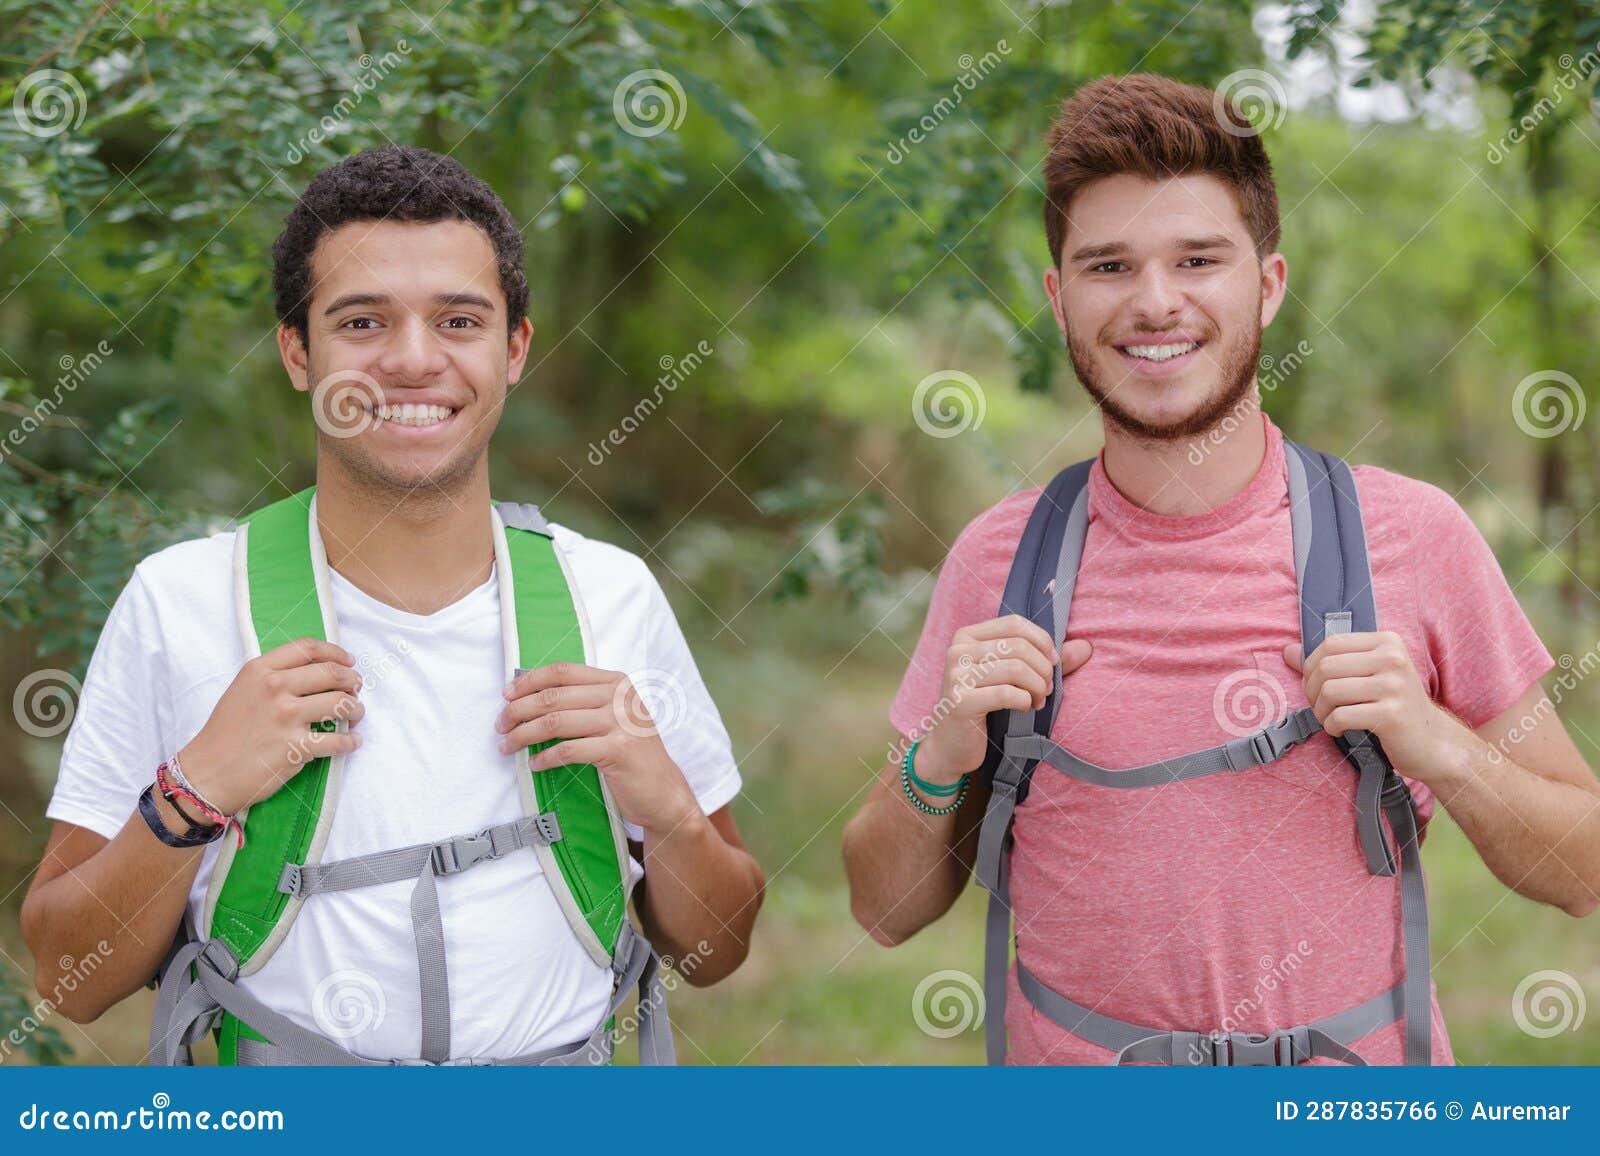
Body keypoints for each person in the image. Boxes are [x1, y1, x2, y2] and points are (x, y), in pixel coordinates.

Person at [842, 73, 1600, 1066]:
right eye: (1108, 265)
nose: (1154, 302)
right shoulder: (1002, 558)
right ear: (1058, 296)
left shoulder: (1412, 535)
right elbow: (881, 909)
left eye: (1197, 259)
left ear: (1268, 283)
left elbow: (1582, 870)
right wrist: (940, 753)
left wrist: (1442, 746)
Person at [22, 145, 764, 1065]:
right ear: (299, 352)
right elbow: (67, 979)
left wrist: (678, 819)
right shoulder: (180, 603)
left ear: (515, 348)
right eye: (363, 321)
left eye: (459, 319)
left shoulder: (609, 595)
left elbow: (716, 952)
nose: (414, 361)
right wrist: (194, 792)